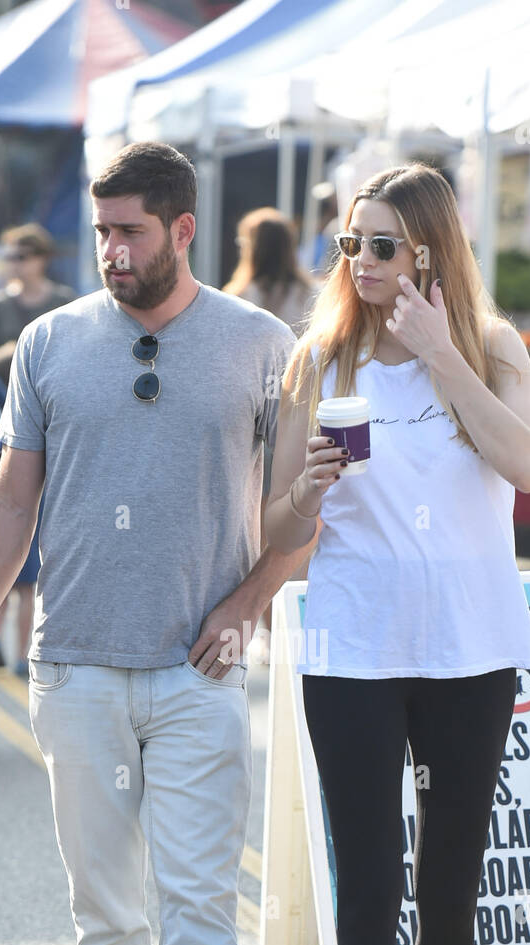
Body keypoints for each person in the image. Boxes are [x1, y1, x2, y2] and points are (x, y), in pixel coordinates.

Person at [0, 141, 312, 945]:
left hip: (197, 671)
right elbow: (10, 502)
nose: (111, 250)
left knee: (195, 903)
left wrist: (247, 602)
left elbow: (301, 509)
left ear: (183, 229)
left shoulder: (260, 344)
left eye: (130, 231)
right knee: (106, 912)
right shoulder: (49, 341)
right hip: (75, 666)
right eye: (101, 231)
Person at [265, 162, 530, 945]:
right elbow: (272, 529)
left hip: (470, 649)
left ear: (429, 250)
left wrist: (440, 354)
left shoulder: (492, 346)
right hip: (353, 650)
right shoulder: (319, 357)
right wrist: (306, 489)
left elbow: (526, 465)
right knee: (369, 883)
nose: (361, 262)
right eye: (350, 243)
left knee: (450, 877)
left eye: (382, 245)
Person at [0, 224, 74, 677]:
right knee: (7, 527)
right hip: (7, 423)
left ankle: (24, 647)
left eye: (23, 256)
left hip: (54, 426)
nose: (16, 264)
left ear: (41, 258)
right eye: (11, 256)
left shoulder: (63, 300)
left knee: (38, 543)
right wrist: (15, 351)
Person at [224, 208, 316, 663]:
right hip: (305, 419)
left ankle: (267, 629)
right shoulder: (313, 295)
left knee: (261, 529)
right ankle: (296, 626)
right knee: (304, 522)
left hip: (254, 426)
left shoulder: (238, 297)